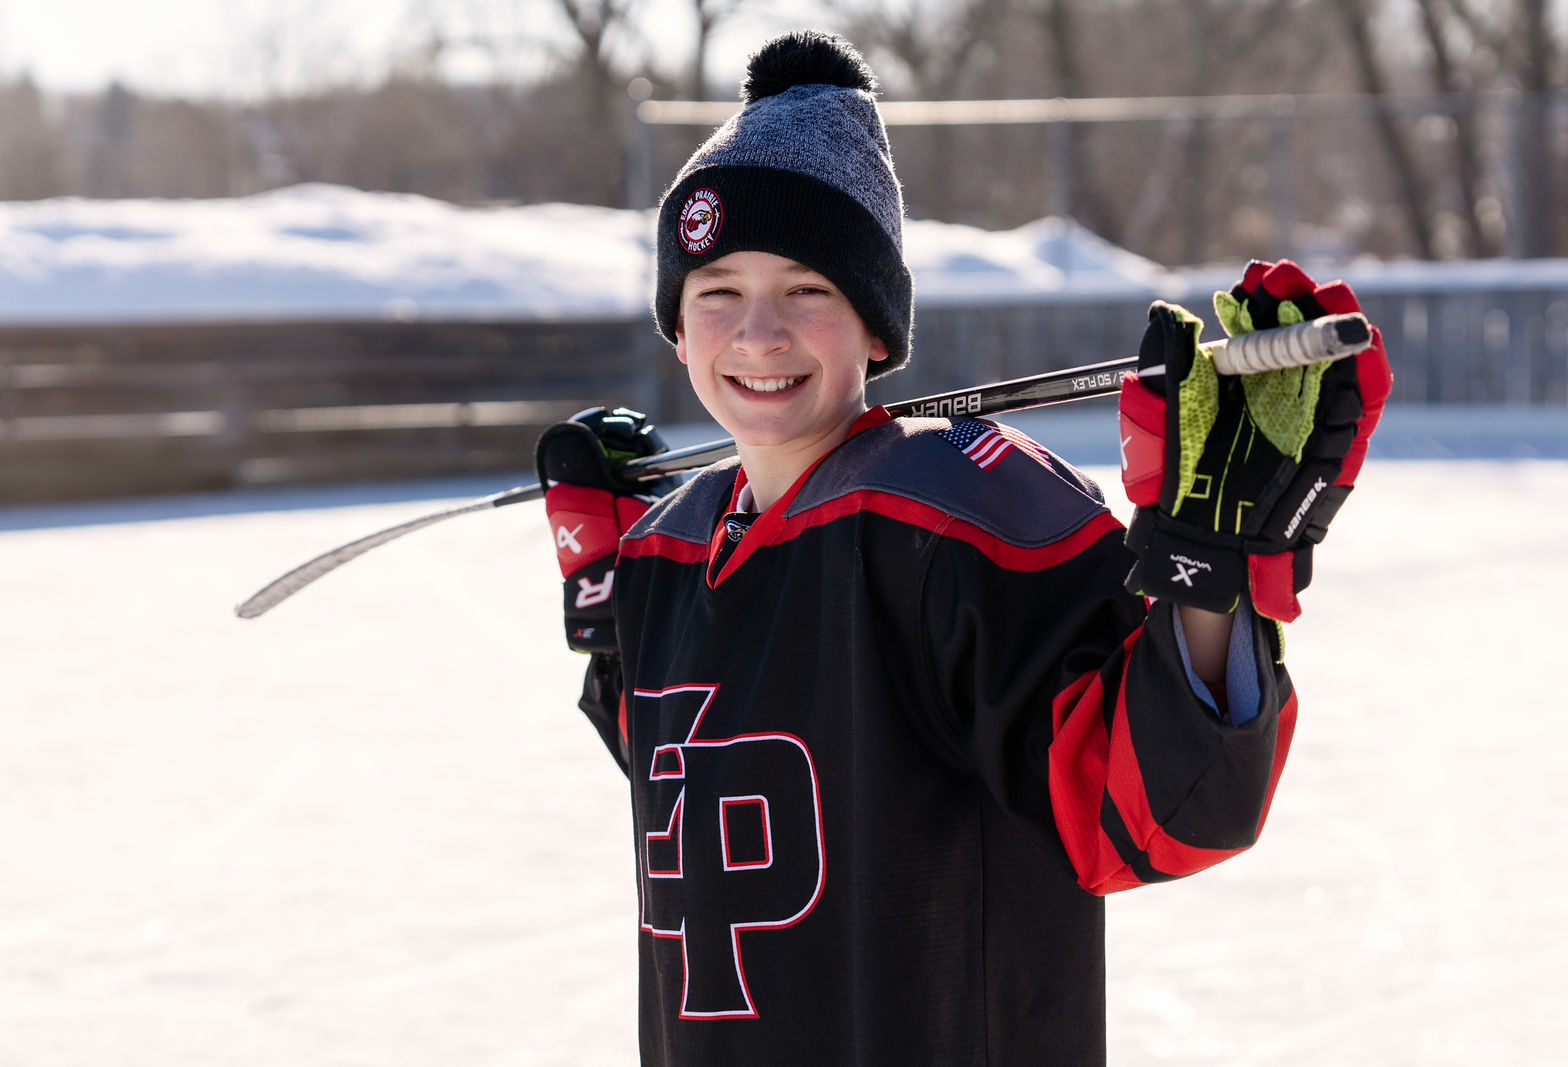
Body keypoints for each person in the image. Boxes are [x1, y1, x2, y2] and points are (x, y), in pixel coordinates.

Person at [533, 29, 1391, 1066]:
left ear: (878, 325)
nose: (757, 333)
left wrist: (1207, 576)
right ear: (676, 325)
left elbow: (1155, 810)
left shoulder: (949, 514)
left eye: (808, 287)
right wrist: (608, 603)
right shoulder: (670, 545)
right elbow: (695, 782)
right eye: (716, 292)